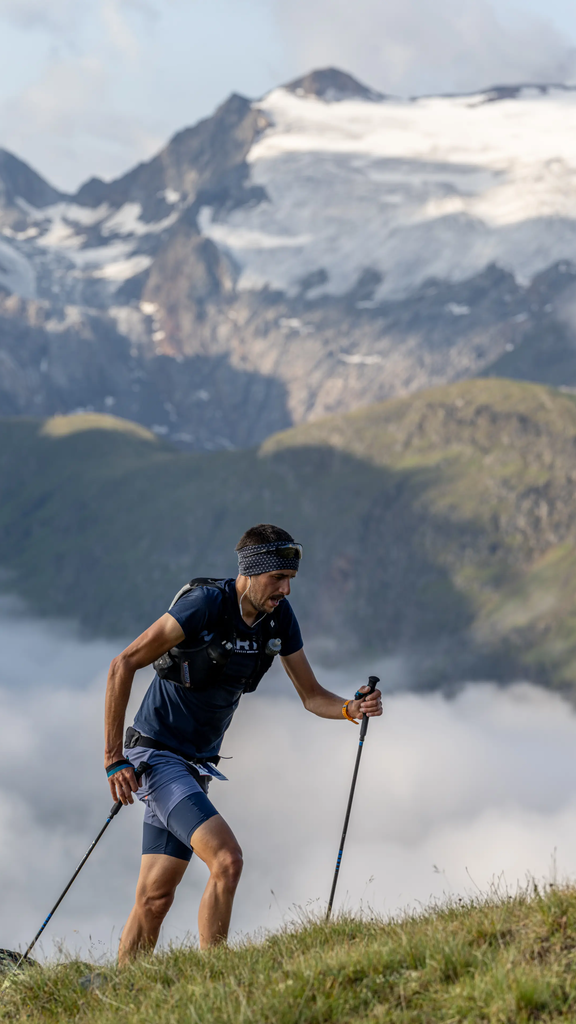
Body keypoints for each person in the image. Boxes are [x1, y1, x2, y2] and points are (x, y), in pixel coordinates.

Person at [104, 523, 382, 962]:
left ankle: (120, 991)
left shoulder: (279, 619)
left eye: (291, 579)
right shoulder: (205, 605)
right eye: (278, 578)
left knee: (155, 899)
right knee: (227, 860)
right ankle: (218, 977)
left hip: (196, 767)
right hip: (156, 756)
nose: (286, 589)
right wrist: (113, 759)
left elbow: (312, 696)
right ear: (250, 572)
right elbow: (123, 664)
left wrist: (352, 708)